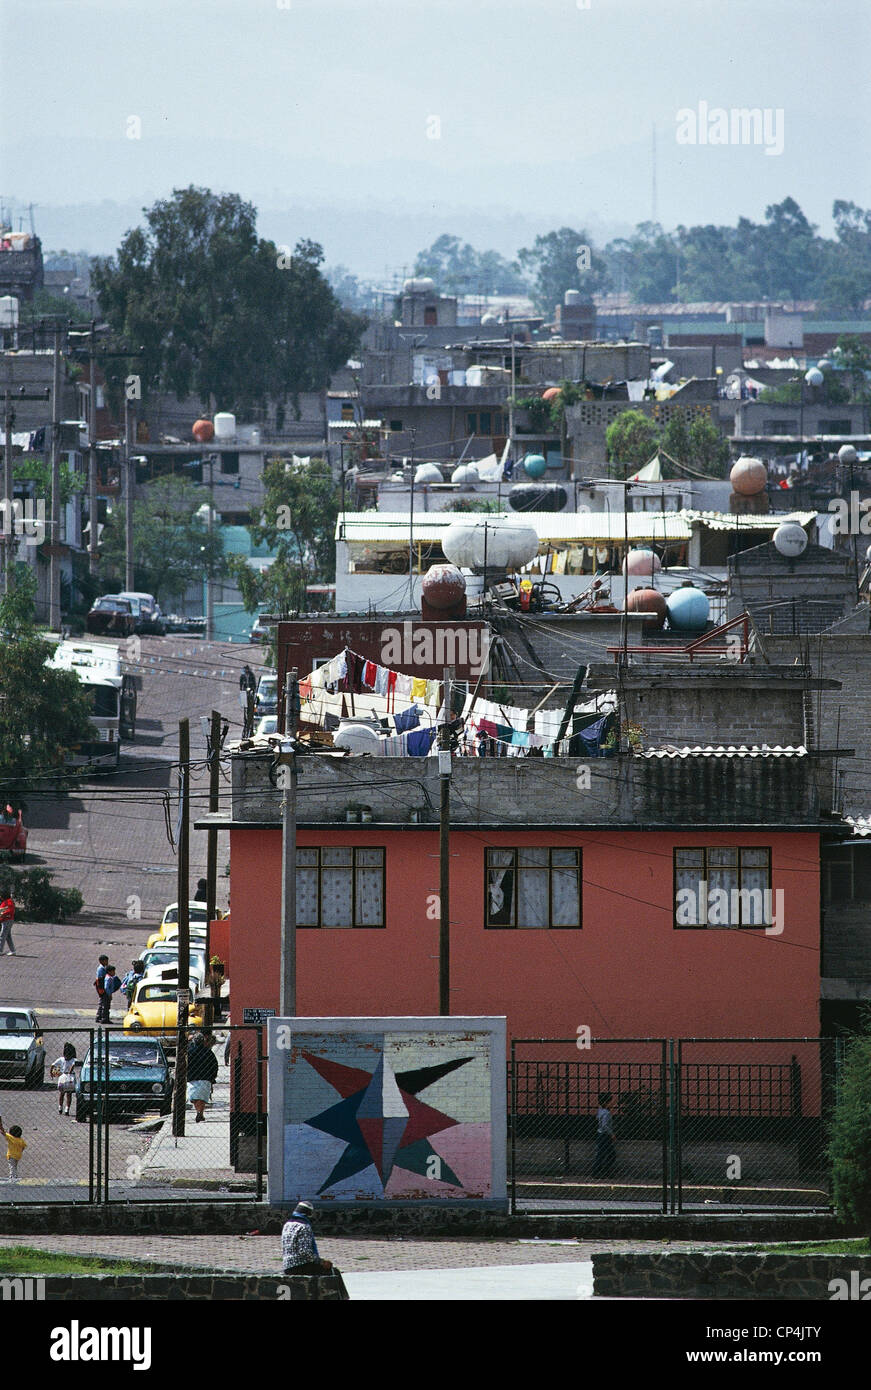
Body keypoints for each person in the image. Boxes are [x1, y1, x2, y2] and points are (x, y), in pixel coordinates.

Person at [281, 1202, 335, 1276]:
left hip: (287, 1265)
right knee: (332, 1271)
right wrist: (321, 1262)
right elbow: (305, 1252)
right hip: (299, 1266)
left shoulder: (287, 1225)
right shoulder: (304, 1226)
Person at [186, 1031, 219, 1123]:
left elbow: (185, 1065)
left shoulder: (189, 1052)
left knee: (195, 1098)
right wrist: (213, 1077)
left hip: (192, 1078)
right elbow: (214, 1065)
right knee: (202, 1098)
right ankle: (200, 1112)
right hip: (206, 1078)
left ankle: (199, 1112)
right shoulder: (208, 1052)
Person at [592, 1090, 616, 1177]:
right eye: (610, 1102)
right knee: (609, 1154)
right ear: (606, 1103)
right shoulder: (607, 1113)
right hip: (605, 1135)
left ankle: (598, 1172)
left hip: (600, 1134)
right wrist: (612, 1134)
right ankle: (603, 1172)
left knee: (601, 1154)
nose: (612, 1104)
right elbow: (605, 1125)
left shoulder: (600, 1111)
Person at [51, 1042, 79, 1116]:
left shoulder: (63, 1059)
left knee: (63, 1093)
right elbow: (74, 1064)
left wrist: (52, 1072)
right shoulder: (72, 1059)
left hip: (63, 1076)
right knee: (66, 1093)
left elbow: (53, 1065)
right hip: (69, 1076)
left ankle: (63, 1108)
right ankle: (64, 1108)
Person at [0, 1115, 26, 1182]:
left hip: (11, 1155)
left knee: (12, 1167)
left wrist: (1, 1126)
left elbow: (3, 1132)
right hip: (18, 1156)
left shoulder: (11, 1138)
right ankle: (15, 1176)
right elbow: (23, 1147)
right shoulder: (21, 1140)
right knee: (15, 1166)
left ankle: (13, 1178)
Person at [239, 665, 256, 736]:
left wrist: (253, 690)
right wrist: (242, 690)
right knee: (245, 710)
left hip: (251, 692)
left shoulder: (251, 675)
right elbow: (241, 685)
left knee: (250, 711)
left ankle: (250, 728)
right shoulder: (242, 676)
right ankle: (246, 724)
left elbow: (254, 684)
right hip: (244, 692)